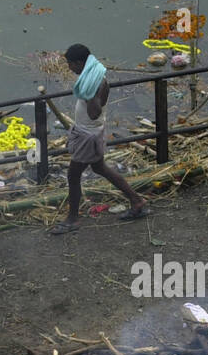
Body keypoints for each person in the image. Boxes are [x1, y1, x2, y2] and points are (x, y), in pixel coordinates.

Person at [48, 43, 148, 235]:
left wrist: (88, 95)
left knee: (73, 175)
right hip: (90, 132)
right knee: (99, 167)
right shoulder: (92, 78)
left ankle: (73, 219)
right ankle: (137, 201)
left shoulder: (96, 84)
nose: (70, 69)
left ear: (79, 63)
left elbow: (94, 112)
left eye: (70, 64)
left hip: (88, 134)